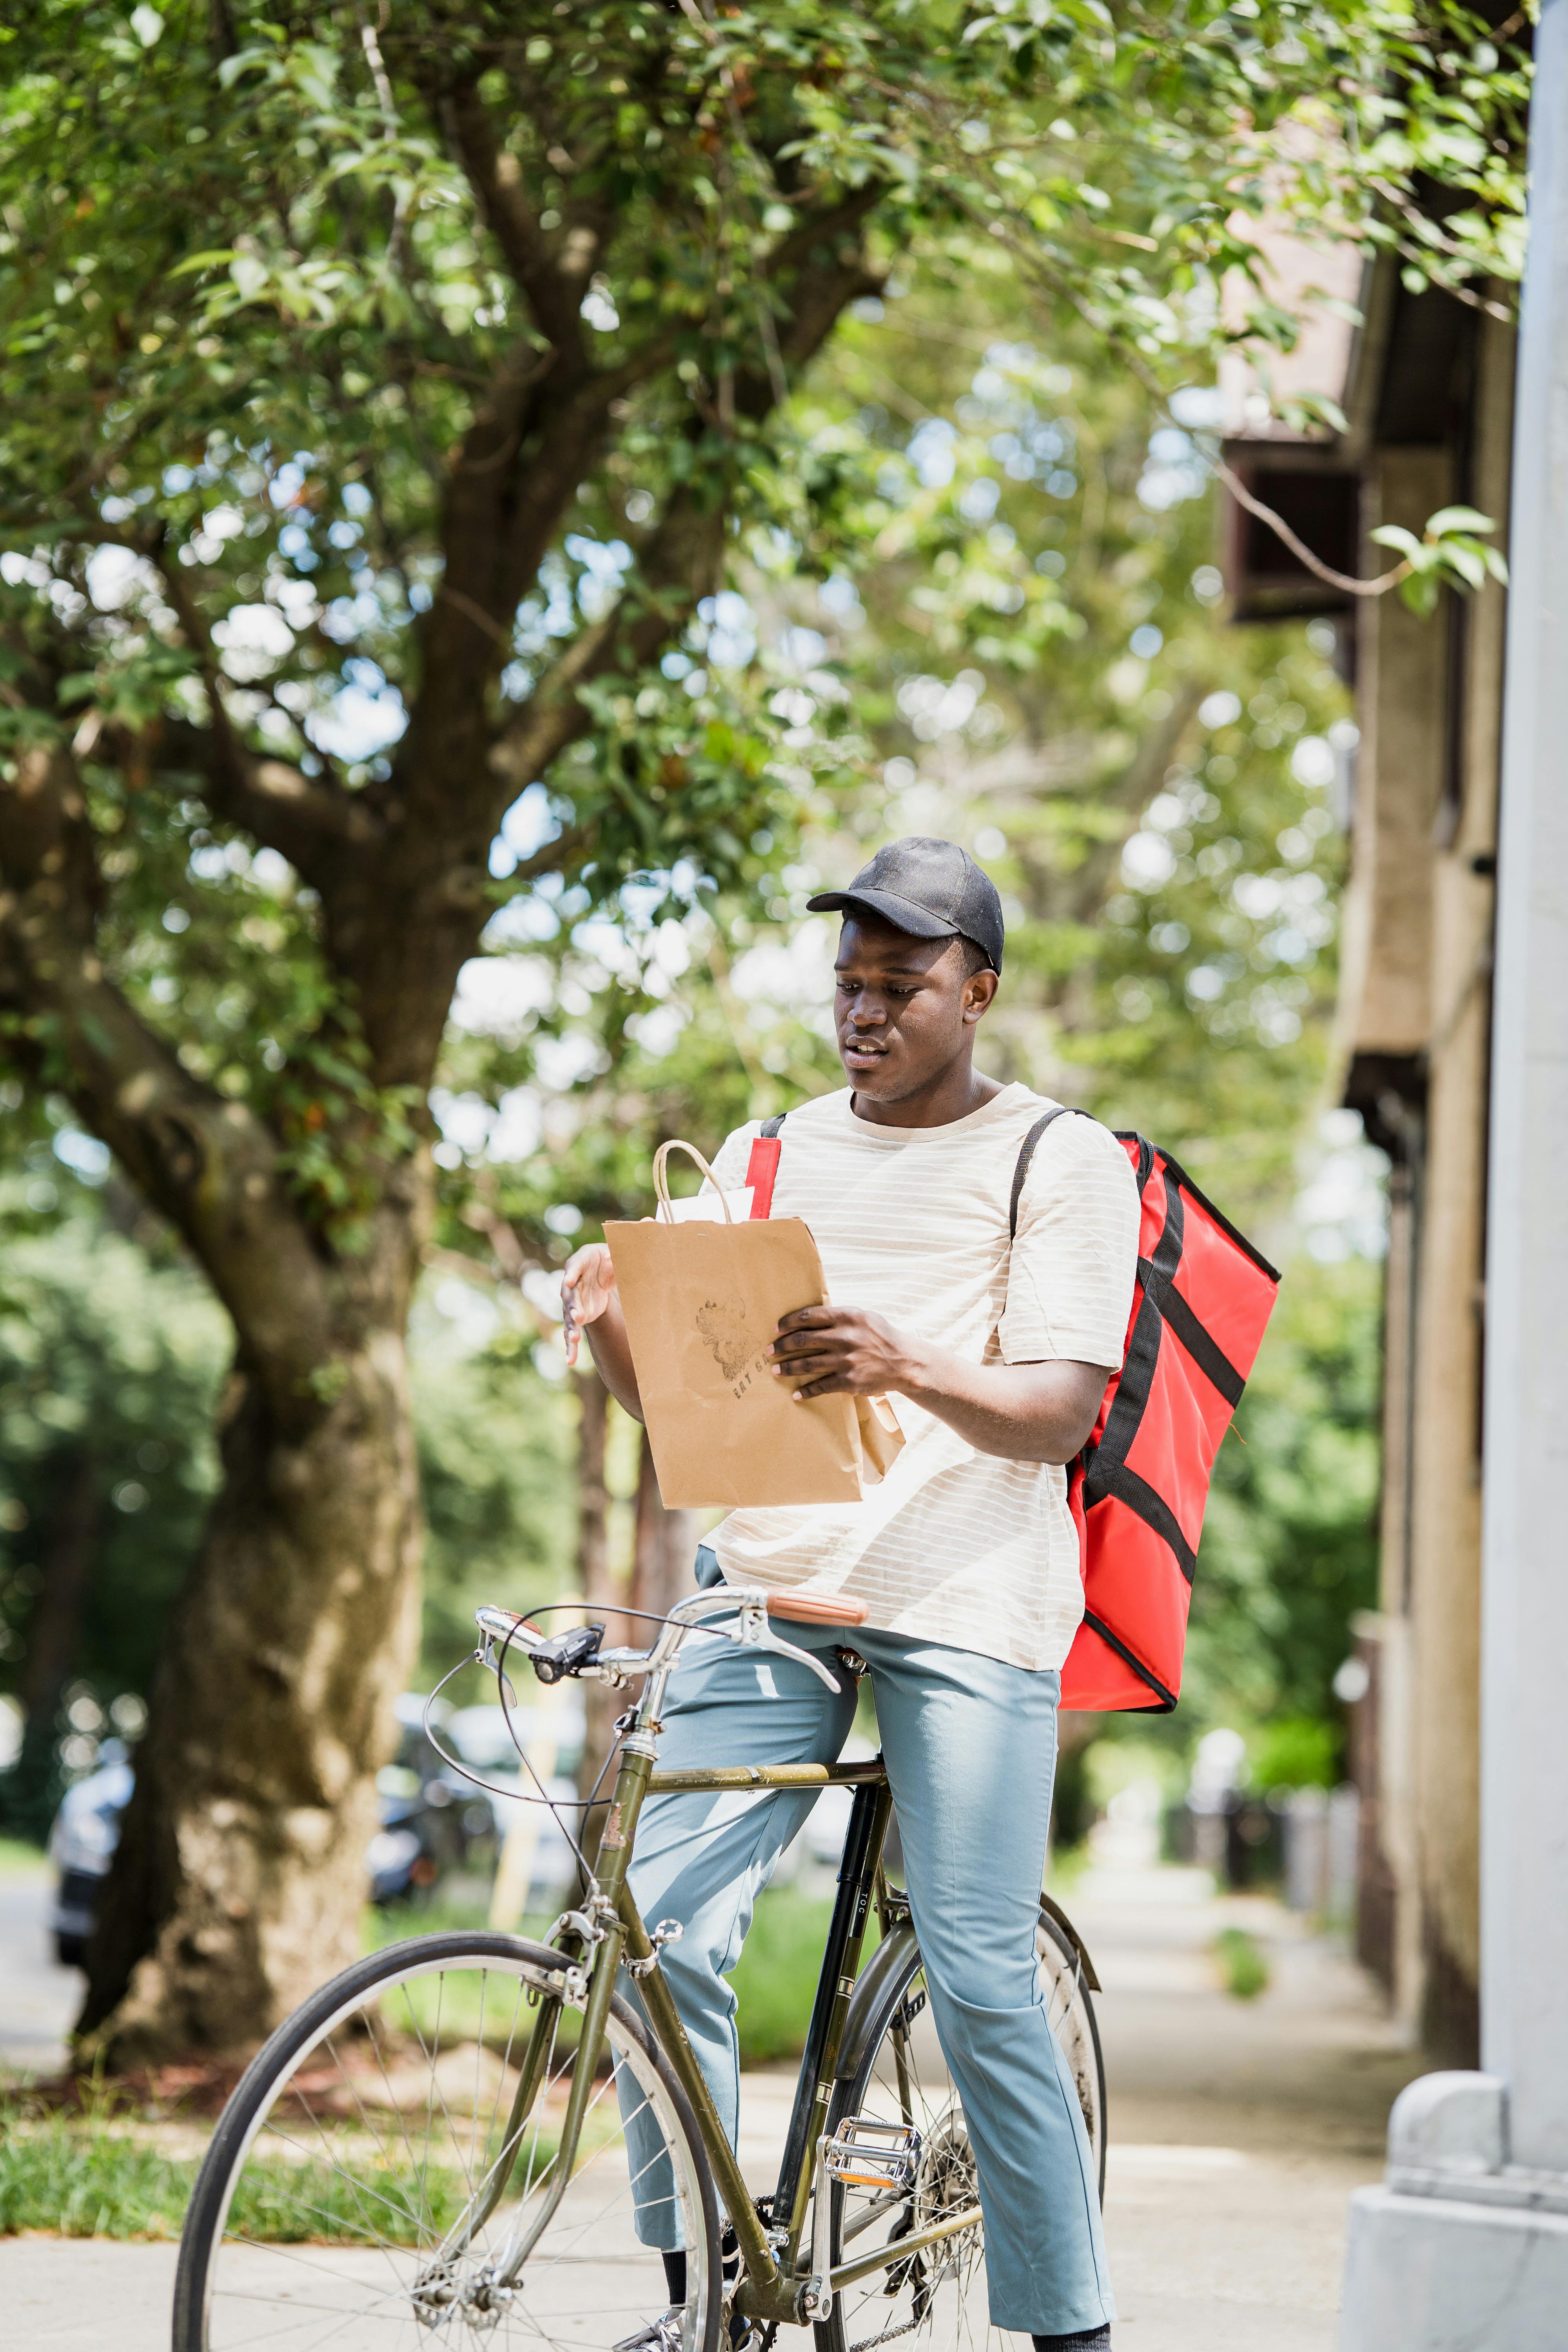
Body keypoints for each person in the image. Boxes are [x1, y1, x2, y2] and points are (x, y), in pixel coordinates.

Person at [562, 836, 1139, 2352]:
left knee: (978, 1972)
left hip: (968, 1598)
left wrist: (904, 1364)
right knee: (661, 1930)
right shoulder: (770, 1154)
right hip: (773, 1585)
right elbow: (690, 1418)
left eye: (903, 985)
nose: (865, 1013)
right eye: (849, 986)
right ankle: (706, 2302)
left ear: (980, 991)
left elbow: (1064, 1408)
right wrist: (621, 1328)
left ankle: (1069, 2327)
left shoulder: (1056, 1158)